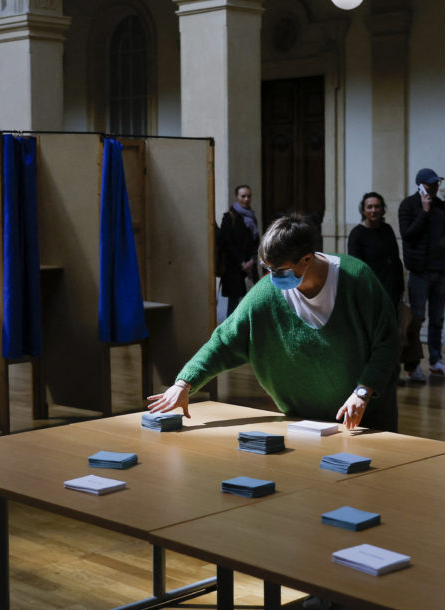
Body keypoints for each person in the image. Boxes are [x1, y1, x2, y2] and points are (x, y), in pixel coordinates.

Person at [148, 212, 401, 432]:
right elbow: (224, 341)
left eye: (280, 271)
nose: (273, 277)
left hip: (365, 416)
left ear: (307, 259)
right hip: (303, 423)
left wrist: (363, 392)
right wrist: (184, 383)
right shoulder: (267, 294)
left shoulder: (356, 278)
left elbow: (388, 342)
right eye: (267, 268)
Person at [398, 168, 445, 381]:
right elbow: (407, 235)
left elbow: (439, 236)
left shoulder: (440, 205)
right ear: (420, 185)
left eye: (436, 184)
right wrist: (423, 212)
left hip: (440, 270)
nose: (434, 188)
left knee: (437, 319)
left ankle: (436, 362)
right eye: (430, 184)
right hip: (419, 272)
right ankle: (413, 365)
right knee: (416, 320)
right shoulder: (408, 205)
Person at [347, 192, 413, 381]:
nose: (374, 210)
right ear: (363, 210)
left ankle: (392, 374)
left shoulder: (387, 229)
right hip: (371, 293)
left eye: (377, 206)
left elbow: (395, 260)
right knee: (374, 336)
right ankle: (372, 376)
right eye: (370, 207)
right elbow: (356, 267)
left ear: (383, 209)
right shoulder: (357, 234)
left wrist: (401, 289)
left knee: (392, 335)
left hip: (391, 290)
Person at [217, 185, 260, 317]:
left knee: (252, 303)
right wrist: (242, 263)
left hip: (250, 267)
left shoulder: (252, 217)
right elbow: (227, 243)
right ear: (237, 197)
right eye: (243, 196)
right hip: (234, 268)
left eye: (249, 196)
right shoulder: (229, 217)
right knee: (233, 306)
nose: (246, 199)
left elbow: (255, 242)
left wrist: (252, 260)